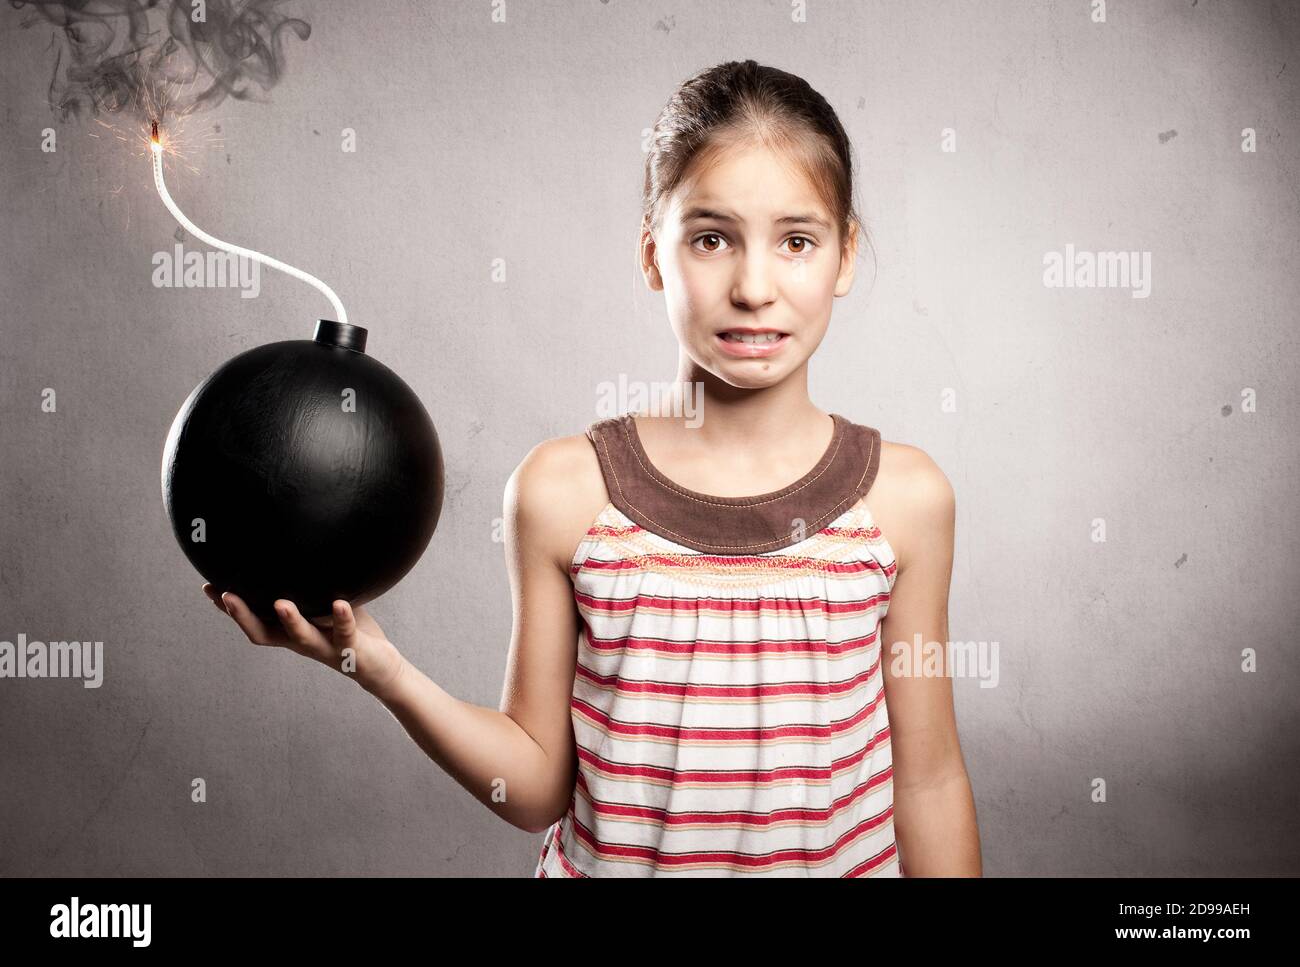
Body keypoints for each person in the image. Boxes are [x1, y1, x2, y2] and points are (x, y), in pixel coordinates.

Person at [206, 59, 981, 877]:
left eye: (796, 241)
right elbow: (536, 786)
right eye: (711, 239)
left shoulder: (904, 501)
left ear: (844, 256)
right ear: (654, 254)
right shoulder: (565, 494)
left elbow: (928, 782)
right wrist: (377, 664)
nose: (755, 287)